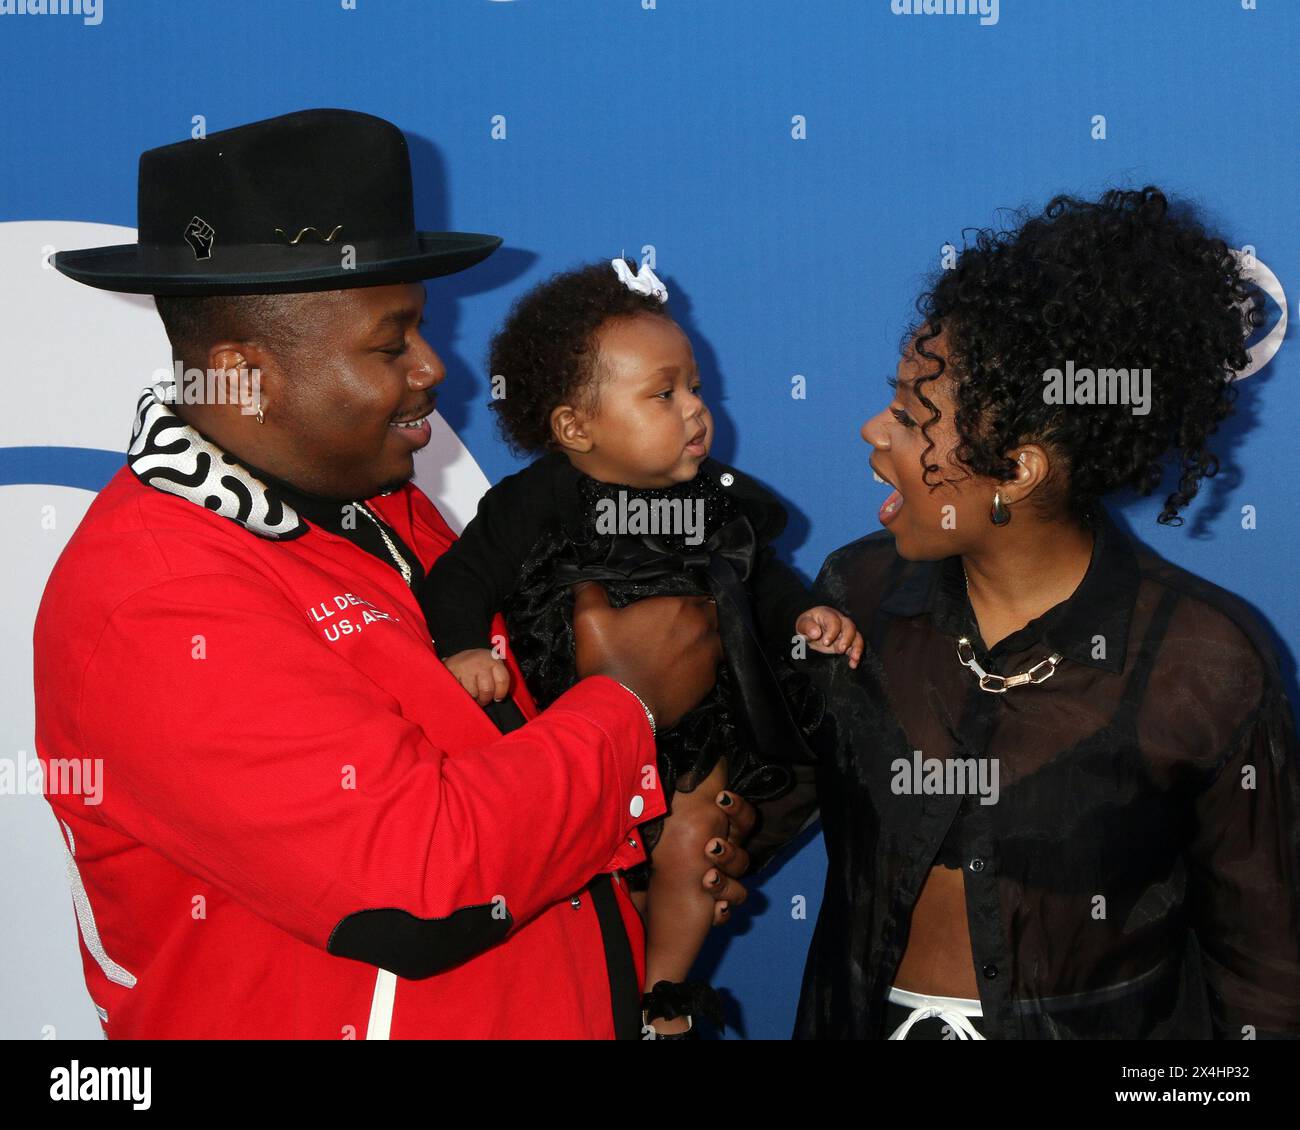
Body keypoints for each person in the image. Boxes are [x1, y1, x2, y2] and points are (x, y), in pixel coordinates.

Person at [33, 108, 751, 1039]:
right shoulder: (155, 599)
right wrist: (628, 711)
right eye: (391, 342)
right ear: (244, 377)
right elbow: (423, 892)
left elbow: (513, 781)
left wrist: (654, 850)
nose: (433, 367)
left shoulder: (374, 502)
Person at [756, 186, 1300, 1039]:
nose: (873, 431)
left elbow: (1267, 969)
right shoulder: (855, 597)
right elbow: (767, 793)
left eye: (910, 415)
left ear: (1017, 470)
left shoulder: (1200, 663)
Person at [420, 258, 861, 1036]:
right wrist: (461, 650)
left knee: (698, 844)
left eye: (696, 387)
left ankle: (661, 995)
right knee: (595, 879)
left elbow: (762, 583)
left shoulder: (715, 502)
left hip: (695, 738)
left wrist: (806, 616)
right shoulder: (536, 504)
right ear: (575, 428)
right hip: (567, 741)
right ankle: (607, 976)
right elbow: (458, 582)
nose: (696, 410)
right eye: (664, 394)